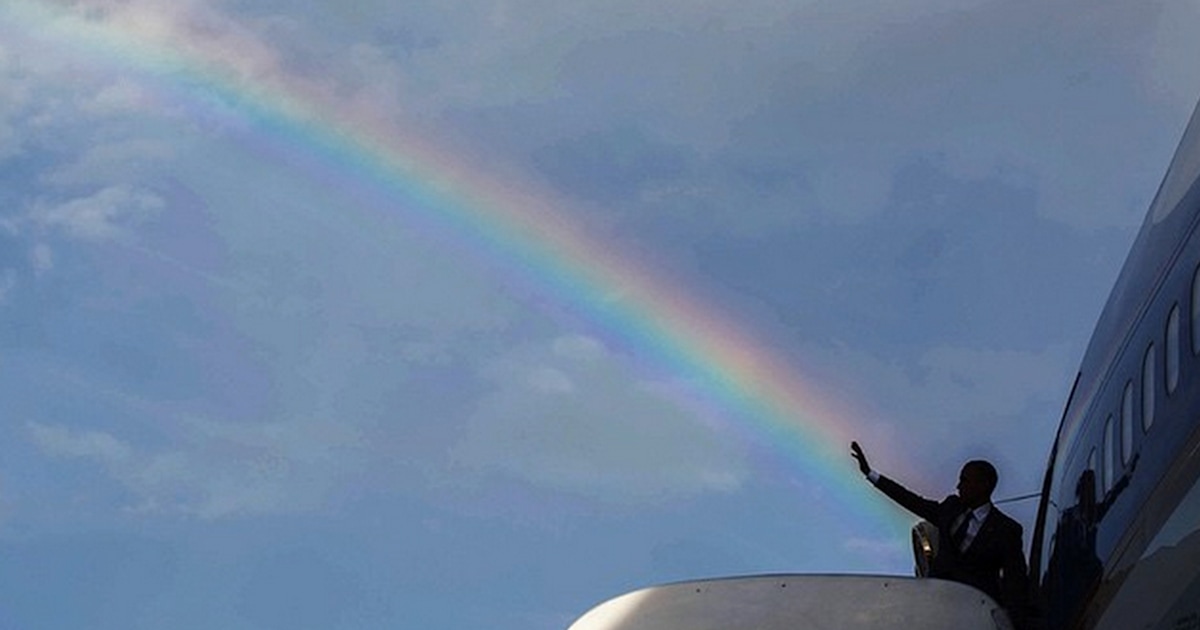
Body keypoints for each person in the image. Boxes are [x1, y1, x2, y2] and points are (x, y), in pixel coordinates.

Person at [850, 441, 1030, 622]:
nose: (958, 486)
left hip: (975, 614)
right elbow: (911, 501)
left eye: (964, 480)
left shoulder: (1007, 530)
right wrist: (870, 473)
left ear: (983, 485)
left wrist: (1013, 620)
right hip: (938, 606)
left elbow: (1016, 582)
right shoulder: (950, 508)